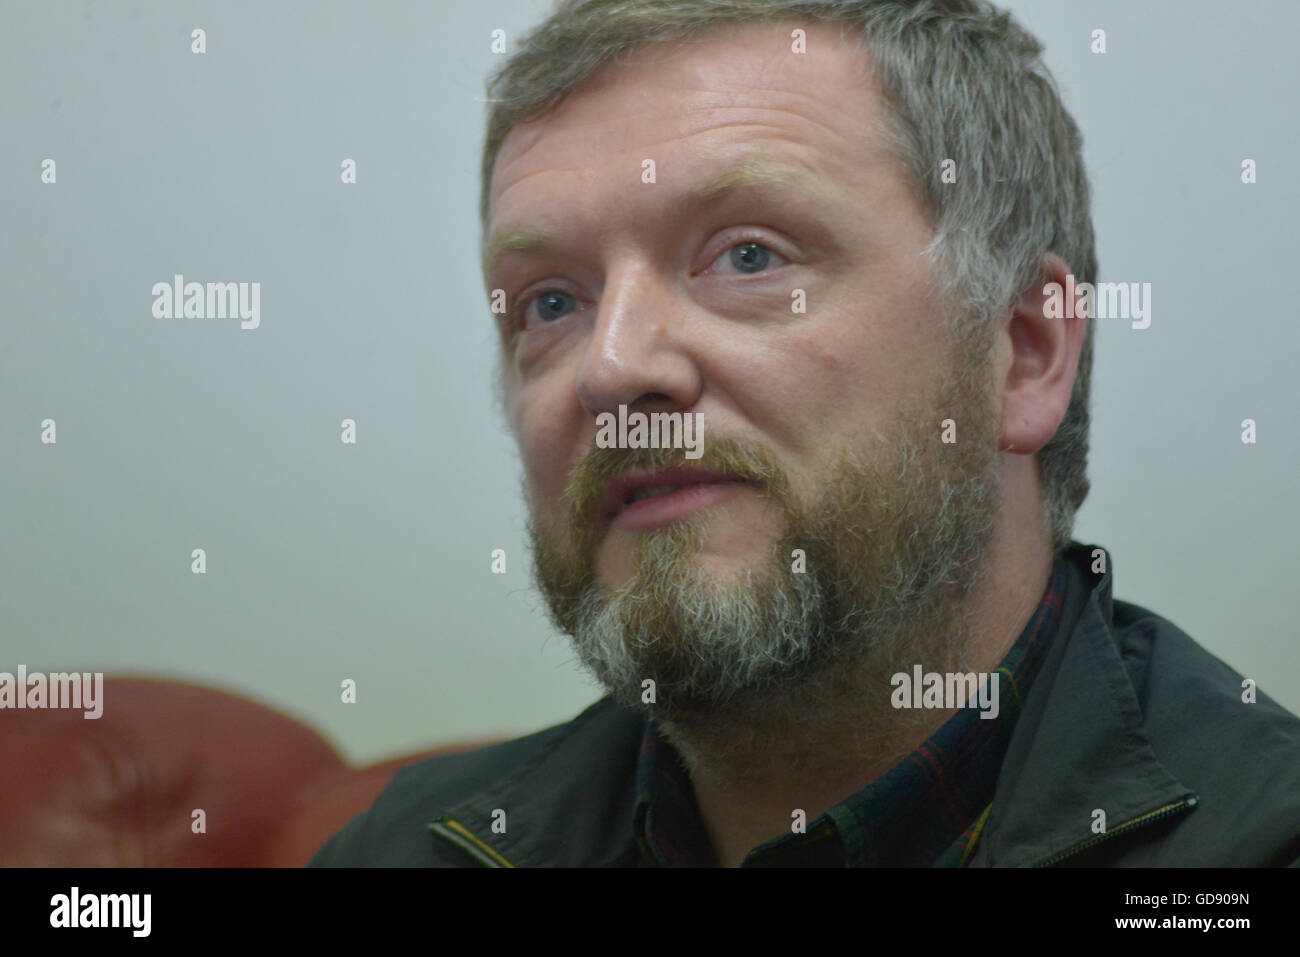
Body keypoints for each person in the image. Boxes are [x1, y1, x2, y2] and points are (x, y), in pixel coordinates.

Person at [309, 0, 1300, 867]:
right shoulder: (402, 851)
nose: (610, 369)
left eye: (748, 255)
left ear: (1022, 349)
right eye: (551, 301)